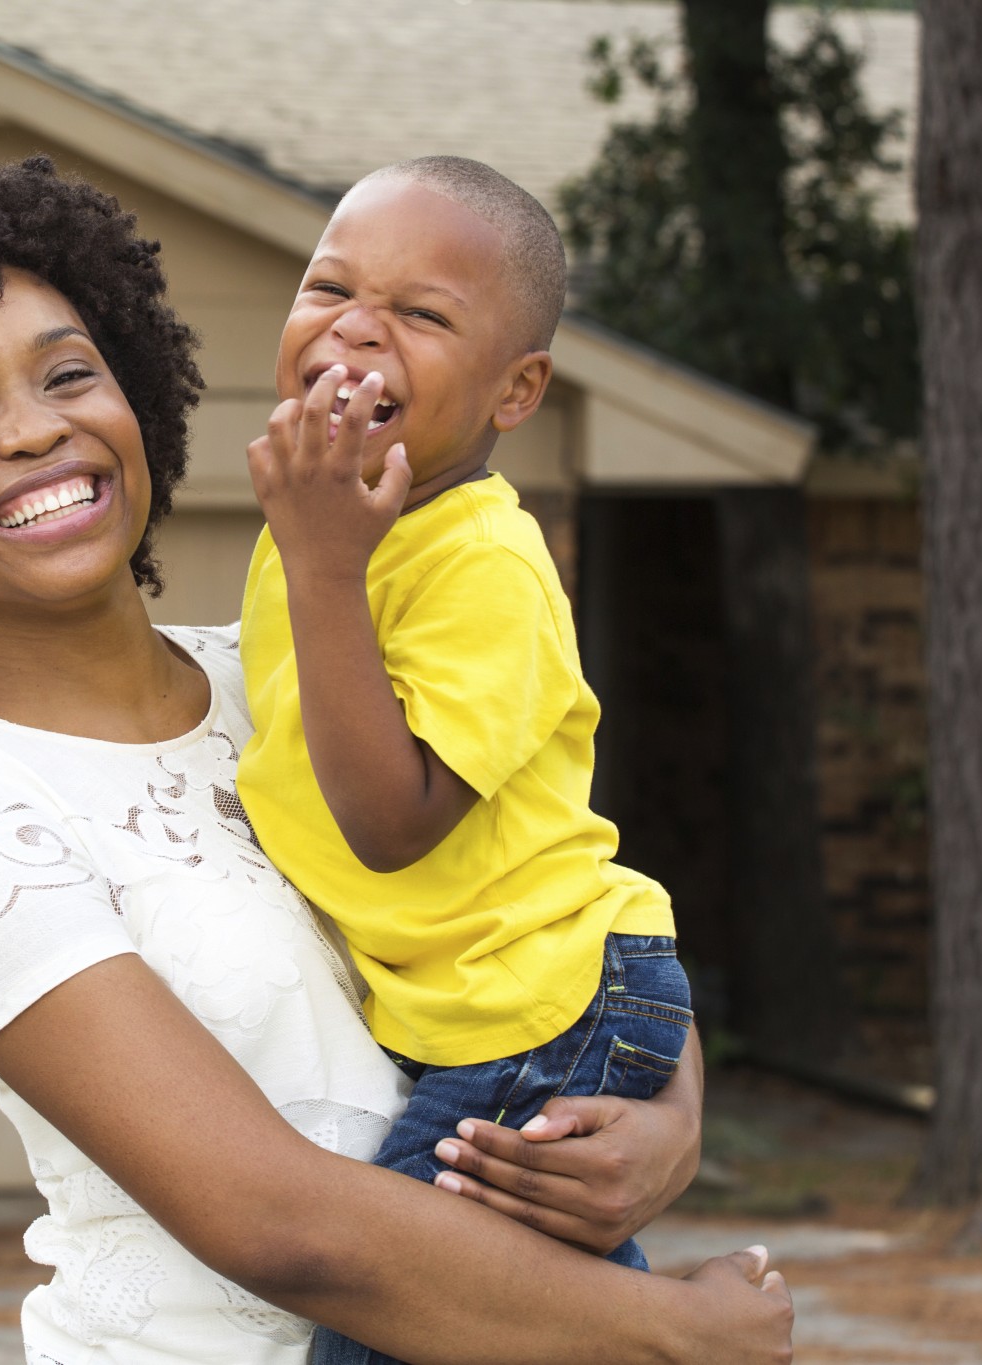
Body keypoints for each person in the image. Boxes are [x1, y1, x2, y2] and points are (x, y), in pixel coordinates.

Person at [0, 130, 792, 1365]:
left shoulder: (291, 672)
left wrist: (668, 1109)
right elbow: (274, 1222)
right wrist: (674, 1333)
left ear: (137, 401)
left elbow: (552, 897)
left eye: (68, 376)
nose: (29, 432)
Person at [234, 158, 694, 1364]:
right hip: (482, 1005)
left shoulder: (477, 562)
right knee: (522, 1317)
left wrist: (323, 562)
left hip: (539, 1010)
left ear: (515, 389)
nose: (353, 327)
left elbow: (393, 819)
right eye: (327, 285)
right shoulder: (323, 535)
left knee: (404, 1314)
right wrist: (322, 554)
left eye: (422, 314)